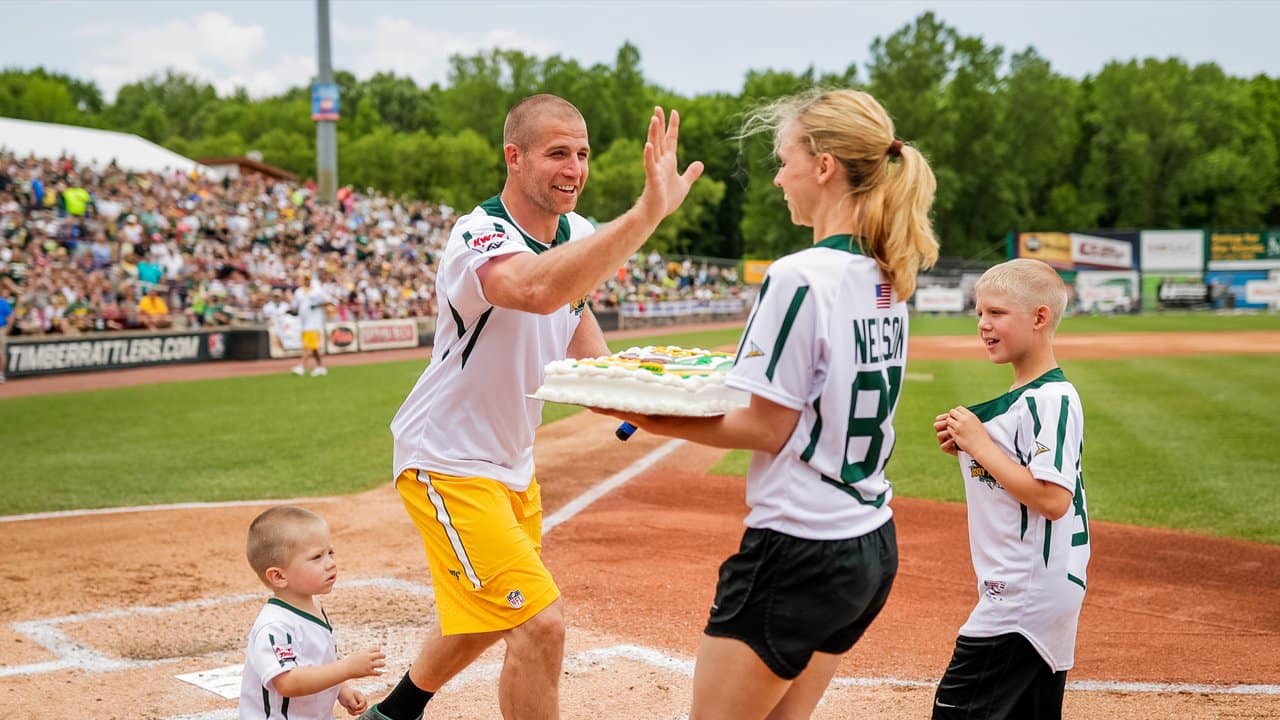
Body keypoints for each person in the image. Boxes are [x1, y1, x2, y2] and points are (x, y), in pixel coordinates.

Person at [595, 88, 939, 719]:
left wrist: (644, 410)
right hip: (867, 541)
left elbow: (765, 426)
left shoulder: (799, 274)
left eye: (785, 159)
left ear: (825, 165)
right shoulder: (887, 276)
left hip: (799, 547)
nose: (779, 176)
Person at [362, 94, 702, 720]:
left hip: (512, 466)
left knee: (495, 611)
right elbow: (537, 289)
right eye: (556, 154)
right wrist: (649, 212)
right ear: (514, 158)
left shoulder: (576, 233)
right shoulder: (479, 234)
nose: (573, 167)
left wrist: (653, 397)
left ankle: (393, 713)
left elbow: (581, 334)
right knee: (540, 624)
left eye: (581, 154)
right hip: (447, 460)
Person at [930, 258, 1090, 719]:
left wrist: (979, 442)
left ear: (1040, 318)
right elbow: (1015, 473)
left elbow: (1052, 498)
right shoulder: (1027, 400)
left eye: (997, 313)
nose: (983, 324)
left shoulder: (1053, 398)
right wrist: (973, 449)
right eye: (979, 312)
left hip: (1022, 596)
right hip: (1036, 592)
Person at [240, 505, 386, 719]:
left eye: (330, 553)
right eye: (317, 557)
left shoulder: (312, 605)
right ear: (279, 577)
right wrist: (345, 669)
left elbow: (317, 660)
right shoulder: (275, 626)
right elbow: (288, 682)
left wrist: (341, 689)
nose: (331, 564)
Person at [292, 272, 332, 377]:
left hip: (314, 323)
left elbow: (328, 301)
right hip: (304, 323)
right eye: (304, 279)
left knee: (307, 346)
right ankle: (320, 367)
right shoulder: (298, 292)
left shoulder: (317, 292)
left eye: (307, 279)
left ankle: (301, 366)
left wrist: (316, 305)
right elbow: (295, 307)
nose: (306, 281)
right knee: (314, 348)